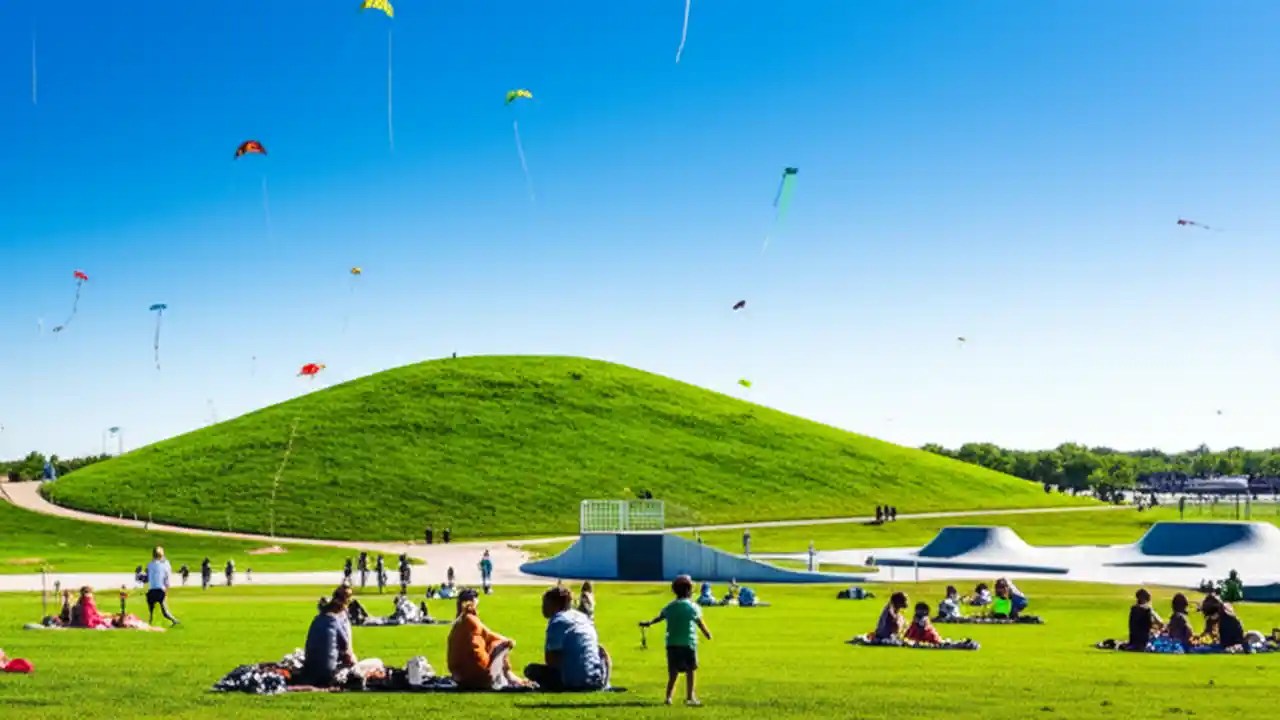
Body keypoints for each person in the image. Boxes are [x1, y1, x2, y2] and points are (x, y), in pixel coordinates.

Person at [640, 575, 712, 707]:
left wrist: (649, 623)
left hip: (672, 644)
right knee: (691, 671)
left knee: (673, 673)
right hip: (688, 643)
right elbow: (700, 623)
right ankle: (690, 697)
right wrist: (707, 634)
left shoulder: (670, 607)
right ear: (690, 591)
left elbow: (660, 617)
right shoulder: (693, 607)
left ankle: (668, 697)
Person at [524, 585, 610, 692]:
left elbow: (551, 660)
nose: (543, 607)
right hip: (595, 679)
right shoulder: (582, 618)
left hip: (573, 682)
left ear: (554, 604)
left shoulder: (557, 621)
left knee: (531, 670)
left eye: (545, 603)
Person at [446, 588, 528, 689]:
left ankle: (506, 676)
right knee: (501, 643)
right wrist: (509, 642)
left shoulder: (457, 624)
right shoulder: (471, 620)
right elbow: (491, 635)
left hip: (459, 677)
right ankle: (509, 676)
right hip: (478, 676)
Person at [301, 586, 357, 687]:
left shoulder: (317, 619)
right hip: (328, 675)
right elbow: (348, 655)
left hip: (310, 672)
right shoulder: (334, 621)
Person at [145, 546, 180, 627]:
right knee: (165, 611)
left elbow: (147, 575)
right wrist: (167, 589)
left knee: (151, 610)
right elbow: (167, 578)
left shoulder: (150, 565)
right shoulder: (164, 565)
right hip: (161, 590)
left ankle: (150, 621)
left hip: (152, 590)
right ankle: (174, 620)